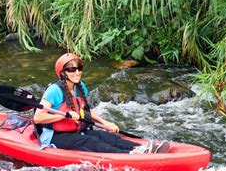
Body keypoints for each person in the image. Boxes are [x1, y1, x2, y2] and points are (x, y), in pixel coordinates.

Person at [33, 53, 169, 154]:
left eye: (79, 68)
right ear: (63, 73)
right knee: (91, 142)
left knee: (107, 136)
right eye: (72, 69)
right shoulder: (54, 91)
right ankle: (130, 155)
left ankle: (141, 148)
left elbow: (86, 110)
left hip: (77, 131)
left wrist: (106, 123)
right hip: (55, 137)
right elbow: (38, 118)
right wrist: (64, 116)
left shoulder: (80, 86)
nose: (77, 72)